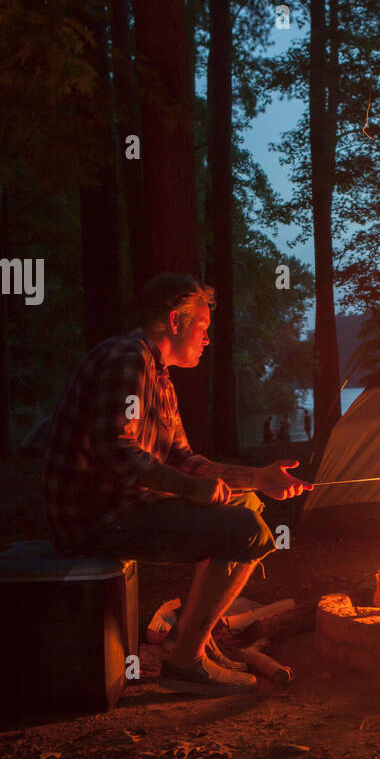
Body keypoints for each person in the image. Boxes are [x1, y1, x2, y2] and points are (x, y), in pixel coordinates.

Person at [43, 273, 312, 697]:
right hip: (97, 517)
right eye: (203, 328)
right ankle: (185, 664)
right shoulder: (125, 358)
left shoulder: (159, 376)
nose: (207, 340)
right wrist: (189, 491)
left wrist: (257, 480)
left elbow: (185, 461)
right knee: (244, 530)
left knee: (253, 507)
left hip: (127, 506)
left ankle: (192, 643)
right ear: (175, 321)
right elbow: (114, 449)